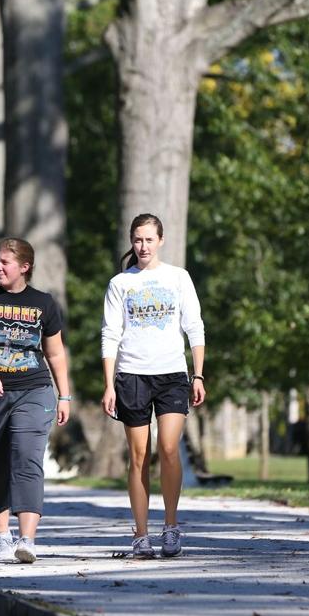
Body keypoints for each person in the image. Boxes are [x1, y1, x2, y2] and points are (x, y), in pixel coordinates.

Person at [101, 213, 206, 559]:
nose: (142, 246)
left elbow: (194, 326)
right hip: (131, 376)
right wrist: (109, 384)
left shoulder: (178, 277)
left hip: (172, 374)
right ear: (131, 242)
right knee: (139, 456)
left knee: (170, 448)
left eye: (149, 239)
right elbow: (110, 335)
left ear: (161, 240)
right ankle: (141, 535)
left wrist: (198, 374)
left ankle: (171, 527)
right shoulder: (120, 284)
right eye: (137, 240)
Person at [0, 238, 72, 564]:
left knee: (27, 458)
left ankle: (27, 540)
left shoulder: (43, 303)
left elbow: (54, 352)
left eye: (5, 263)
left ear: (24, 266)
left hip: (34, 390)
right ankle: (1, 537)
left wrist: (64, 394)